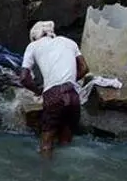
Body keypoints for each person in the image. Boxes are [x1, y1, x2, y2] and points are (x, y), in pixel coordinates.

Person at [21, 21, 89, 156]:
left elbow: (23, 78)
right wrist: (68, 81)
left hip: (54, 96)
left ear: (35, 37)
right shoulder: (70, 42)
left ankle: (45, 175)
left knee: (46, 144)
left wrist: (38, 91)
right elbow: (85, 68)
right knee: (66, 141)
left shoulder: (33, 46)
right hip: (73, 96)